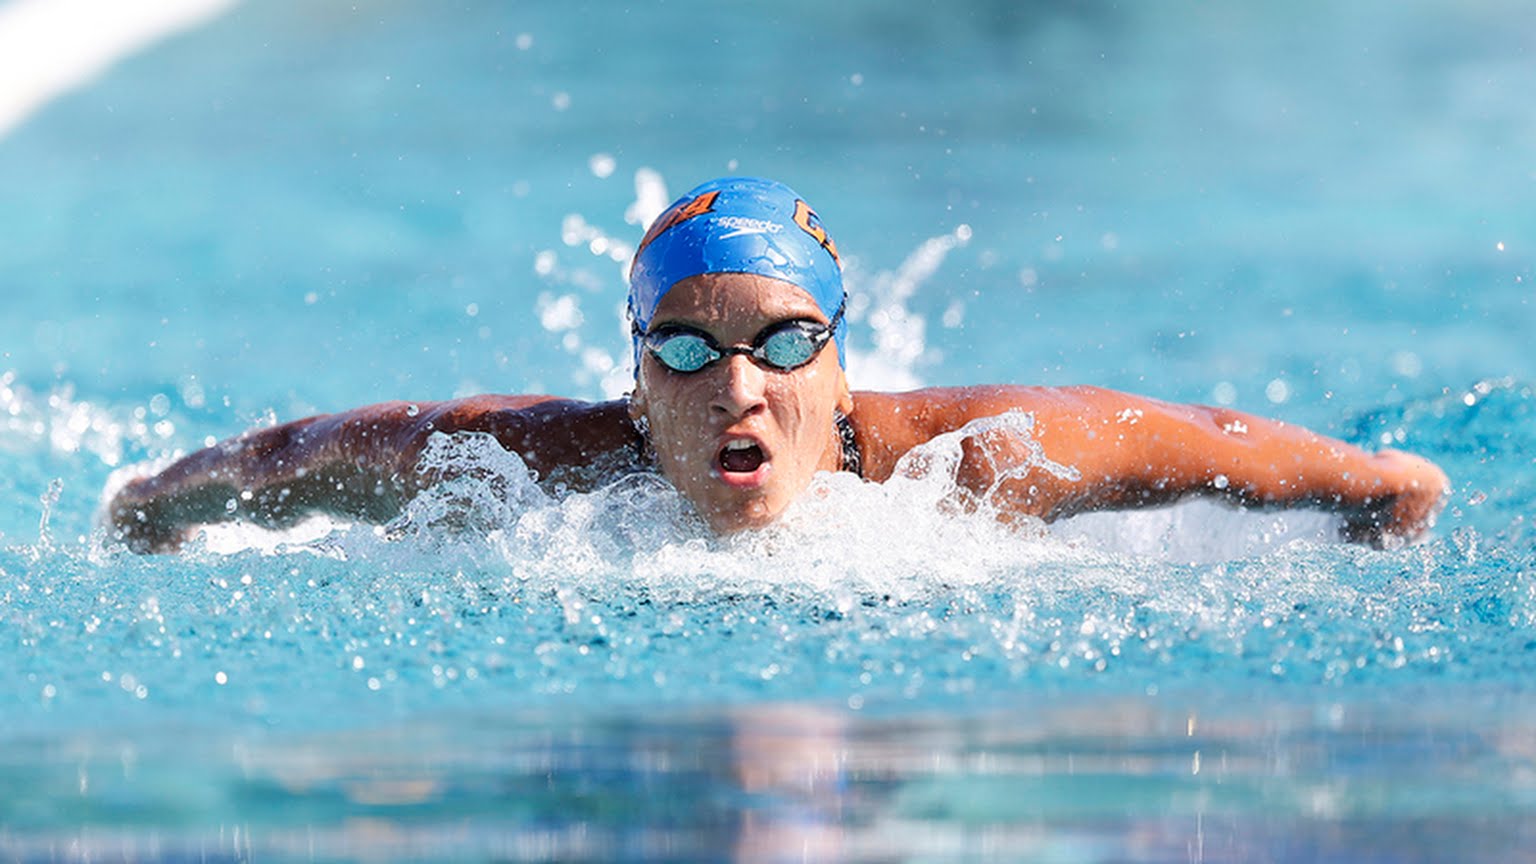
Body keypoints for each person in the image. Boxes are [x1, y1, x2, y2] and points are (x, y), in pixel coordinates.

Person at [107, 177, 1449, 554]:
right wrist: (157, 504)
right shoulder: (539, 465)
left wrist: (1382, 490)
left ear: (841, 367)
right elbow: (297, 457)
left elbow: (1211, 439)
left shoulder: (978, 461)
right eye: (688, 350)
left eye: (787, 344)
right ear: (639, 381)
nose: (738, 387)